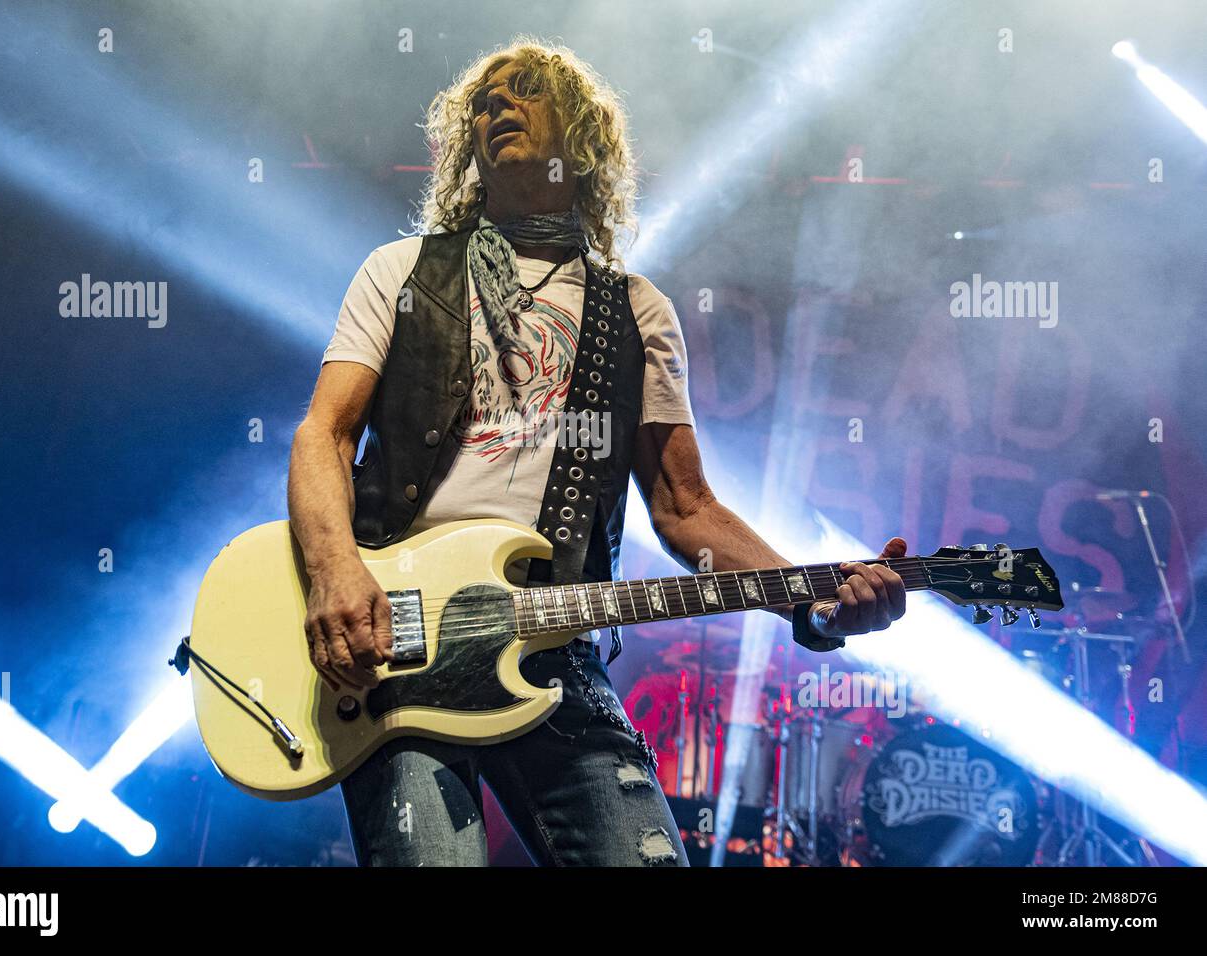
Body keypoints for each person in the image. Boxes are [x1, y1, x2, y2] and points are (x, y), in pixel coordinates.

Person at [287, 37, 908, 866]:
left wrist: (812, 598)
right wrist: (335, 573)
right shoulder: (402, 272)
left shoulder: (636, 312)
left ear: (581, 135)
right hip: (400, 647)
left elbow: (687, 509)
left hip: (552, 648)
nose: (497, 105)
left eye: (526, 91)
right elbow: (322, 434)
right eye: (483, 99)